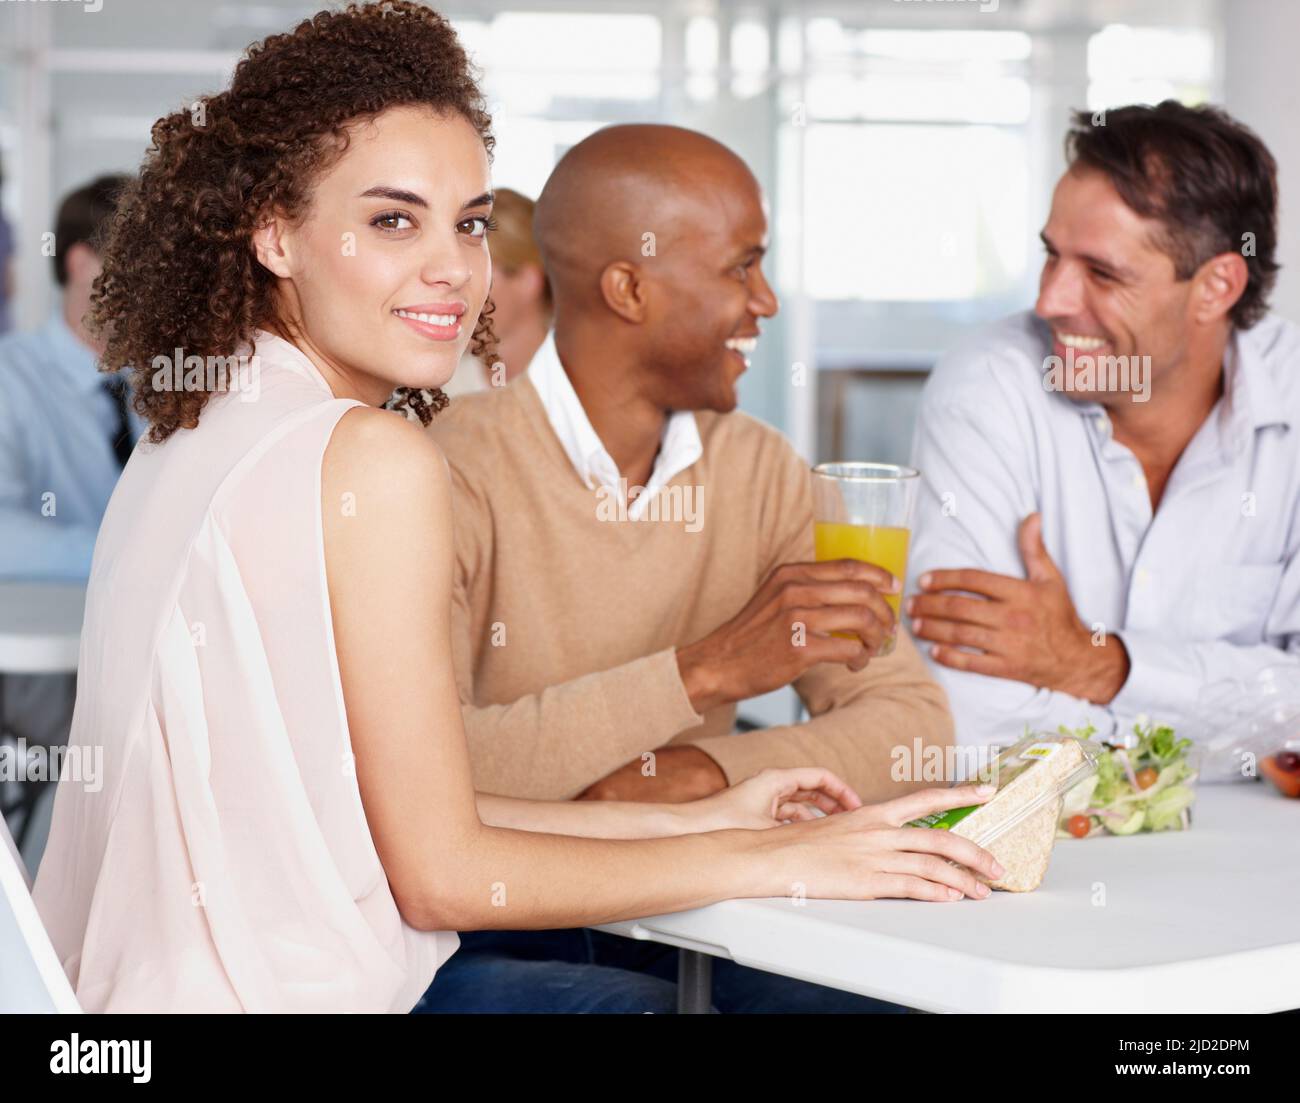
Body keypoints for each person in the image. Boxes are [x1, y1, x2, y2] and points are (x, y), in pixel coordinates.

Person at [30, 1, 1001, 1015]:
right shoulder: (370, 455)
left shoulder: (193, 424)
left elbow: (396, 816)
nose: (451, 266)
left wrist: (714, 818)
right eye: (391, 219)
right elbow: (441, 873)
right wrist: (780, 862)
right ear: (274, 232)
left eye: (471, 222)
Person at [420, 124, 957, 1011]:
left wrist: (706, 774)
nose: (768, 301)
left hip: (702, 901)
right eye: (741, 268)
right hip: (486, 920)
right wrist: (705, 671)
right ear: (629, 287)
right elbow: (428, 773)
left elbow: (911, 724)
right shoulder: (445, 467)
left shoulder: (759, 468)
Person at [906, 101, 1300, 747]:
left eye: (1101, 273)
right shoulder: (986, 390)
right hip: (1048, 846)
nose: (1050, 301)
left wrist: (1099, 665)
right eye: (1051, 256)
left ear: (1217, 286)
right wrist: (1221, 721)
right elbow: (966, 715)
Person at [0, 174, 140, 862]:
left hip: (154, 652)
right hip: (49, 674)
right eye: (135, 263)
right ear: (81, 262)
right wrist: (127, 551)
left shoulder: (167, 383)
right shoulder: (10, 377)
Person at [440, 186, 549, 397]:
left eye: (473, 275)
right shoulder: (434, 391)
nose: (451, 289)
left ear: (527, 281)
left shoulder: (580, 383)